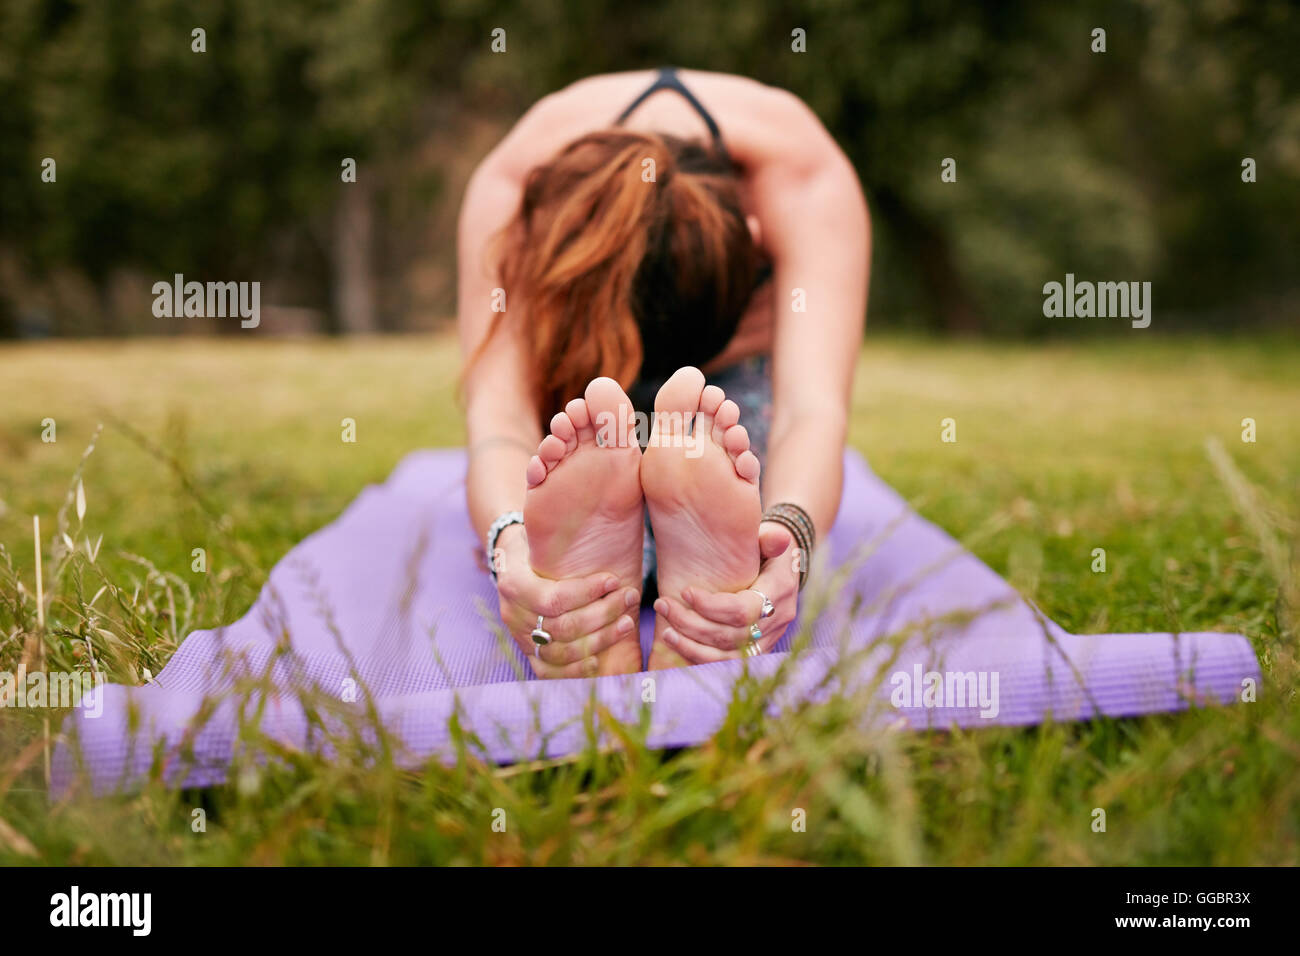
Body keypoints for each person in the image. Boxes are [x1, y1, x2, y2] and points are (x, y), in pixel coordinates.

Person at [457, 68, 870, 678]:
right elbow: (498, 409)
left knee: (715, 447)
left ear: (753, 241)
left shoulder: (805, 179)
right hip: (581, 378)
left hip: (718, 380)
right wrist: (509, 542)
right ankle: (688, 597)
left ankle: (603, 596)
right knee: (590, 450)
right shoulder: (515, 192)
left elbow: (813, 408)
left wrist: (790, 539)